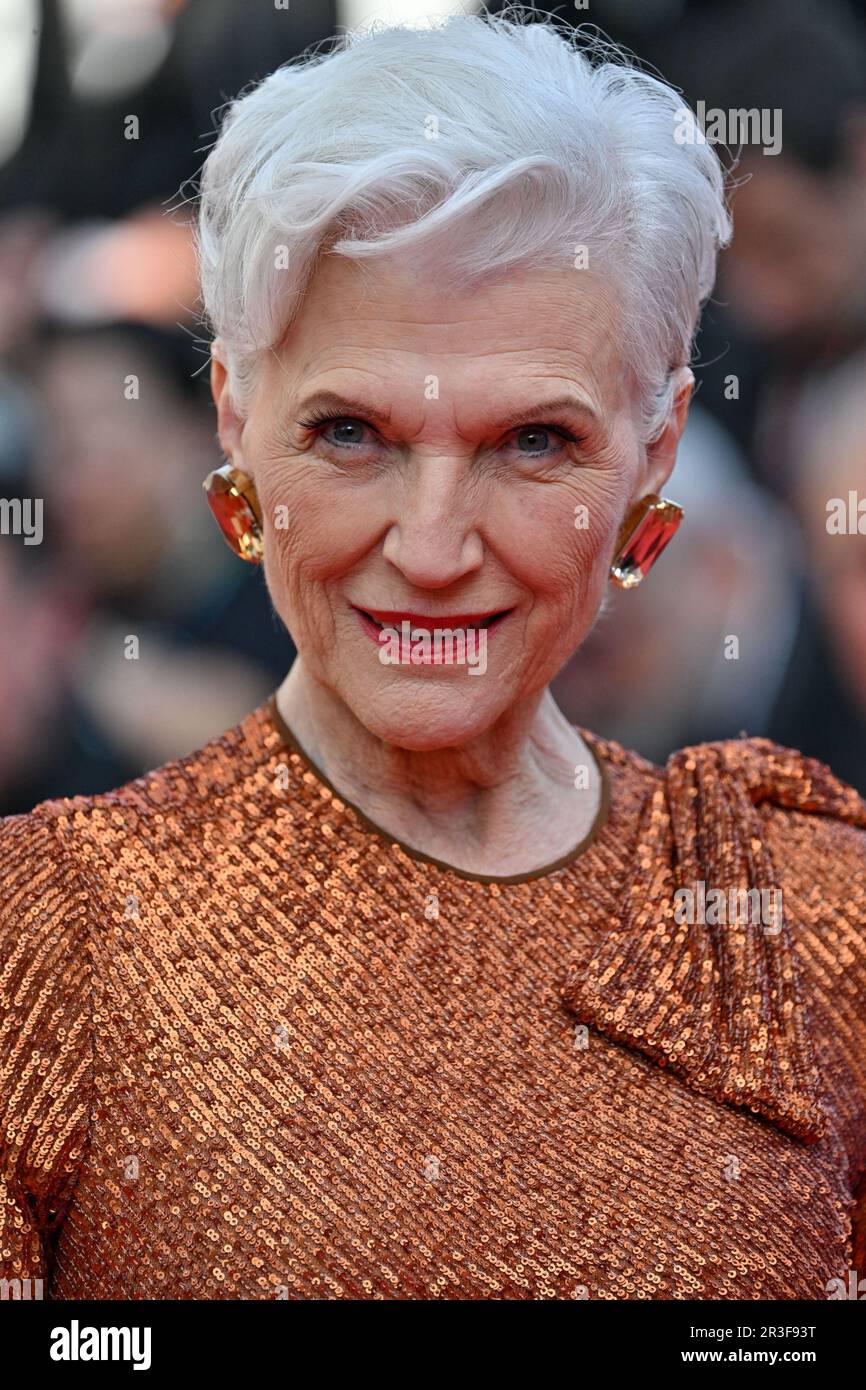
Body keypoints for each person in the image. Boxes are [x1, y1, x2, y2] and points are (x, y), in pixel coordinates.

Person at [1, 11, 865, 1302]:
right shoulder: (47, 940)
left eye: (533, 442)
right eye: (350, 432)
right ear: (236, 417)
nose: (434, 544)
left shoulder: (814, 916)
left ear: (656, 448)